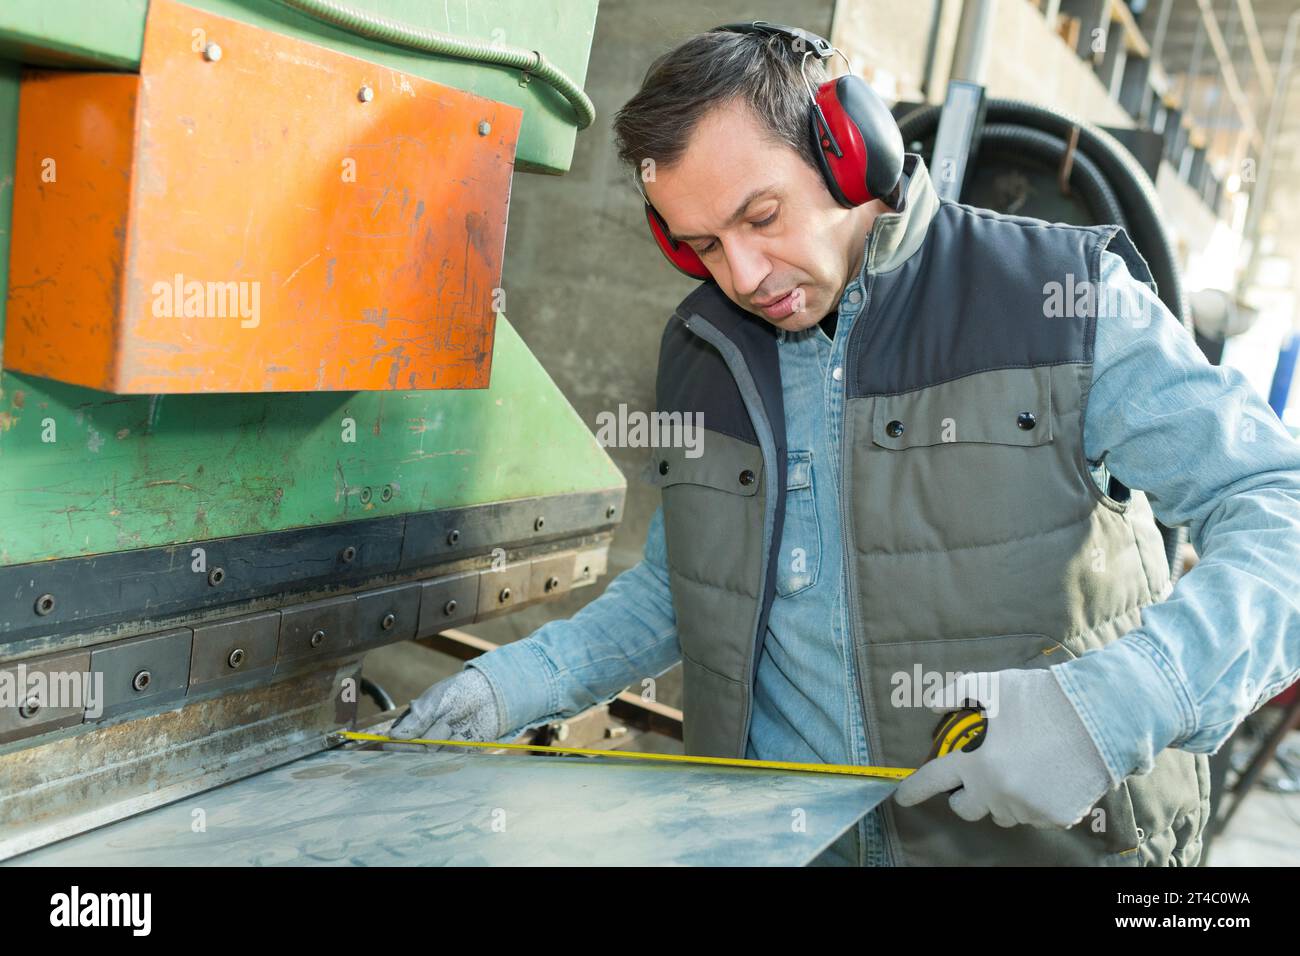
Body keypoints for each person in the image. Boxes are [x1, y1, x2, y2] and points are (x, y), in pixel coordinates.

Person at [386, 22, 1300, 866]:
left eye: (761, 217)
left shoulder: (1064, 302)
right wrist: (514, 686)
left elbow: (1279, 509)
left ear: (849, 150)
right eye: (702, 244)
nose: (741, 277)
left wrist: (1116, 707)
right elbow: (688, 586)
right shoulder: (706, 350)